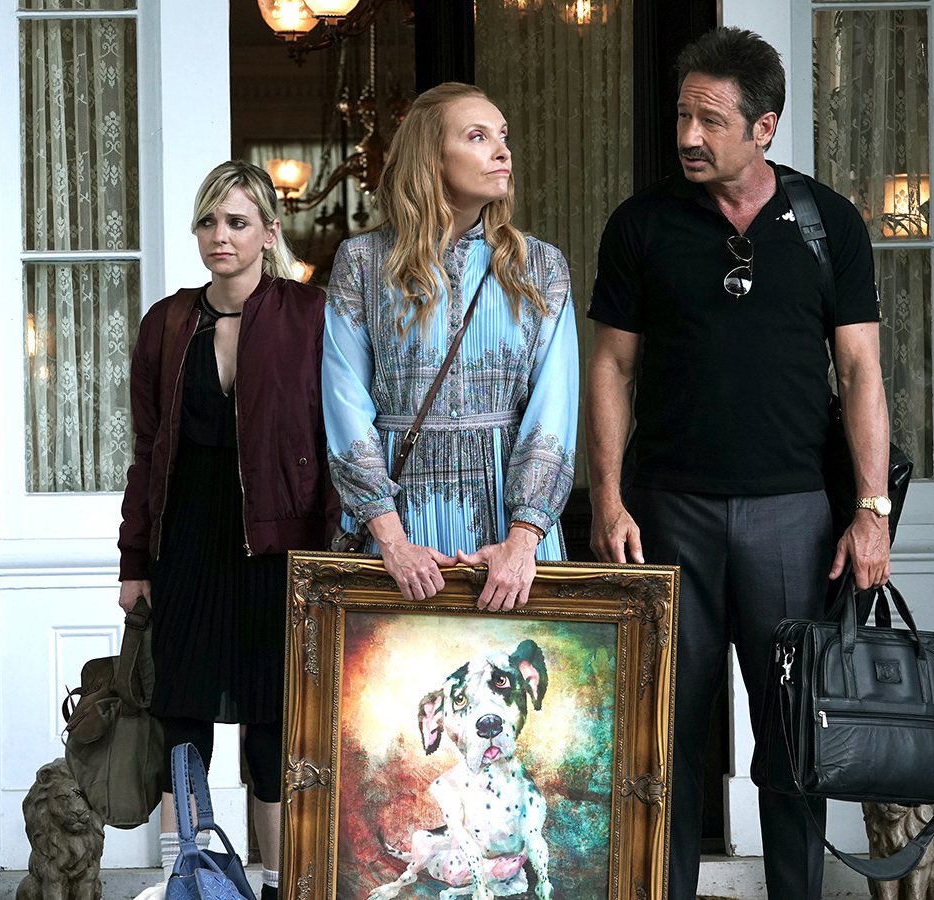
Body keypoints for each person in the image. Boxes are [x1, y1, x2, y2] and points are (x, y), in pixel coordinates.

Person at [585, 27, 892, 900]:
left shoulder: (828, 223)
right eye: (683, 116)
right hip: (667, 512)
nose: (688, 136)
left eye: (711, 121)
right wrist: (607, 499)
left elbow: (862, 372)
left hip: (794, 517)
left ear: (765, 127)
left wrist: (871, 509)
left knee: (792, 737)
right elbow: (610, 368)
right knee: (665, 738)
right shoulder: (642, 224)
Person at [116, 160, 337, 900]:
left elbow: (336, 440)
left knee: (272, 721)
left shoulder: (310, 314)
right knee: (181, 715)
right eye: (209, 221)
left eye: (237, 222)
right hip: (186, 544)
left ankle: (275, 885)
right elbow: (147, 450)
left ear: (269, 232)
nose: (221, 235)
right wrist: (135, 561)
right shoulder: (168, 322)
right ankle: (191, 878)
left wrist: (332, 554)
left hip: (277, 547)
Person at [322, 82, 579, 610]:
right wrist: (391, 541)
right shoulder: (363, 262)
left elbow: (554, 406)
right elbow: (344, 403)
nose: (502, 151)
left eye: (503, 136)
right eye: (478, 137)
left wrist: (522, 540)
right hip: (399, 526)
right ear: (431, 159)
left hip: (513, 528)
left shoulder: (540, 266)